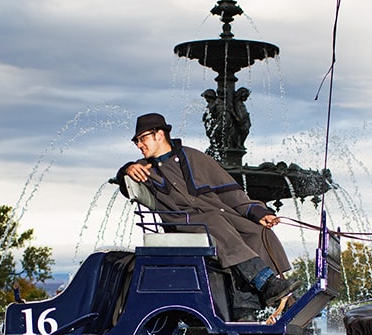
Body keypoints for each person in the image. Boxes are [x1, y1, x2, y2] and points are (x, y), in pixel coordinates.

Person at [116, 112, 294, 320]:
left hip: (214, 215)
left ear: (159, 135)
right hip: (181, 221)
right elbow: (124, 186)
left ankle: (245, 308)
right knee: (213, 222)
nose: (139, 144)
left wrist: (258, 212)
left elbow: (228, 191)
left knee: (255, 231)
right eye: (137, 141)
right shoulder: (143, 168)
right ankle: (266, 282)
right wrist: (126, 170)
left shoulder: (194, 157)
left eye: (143, 138)